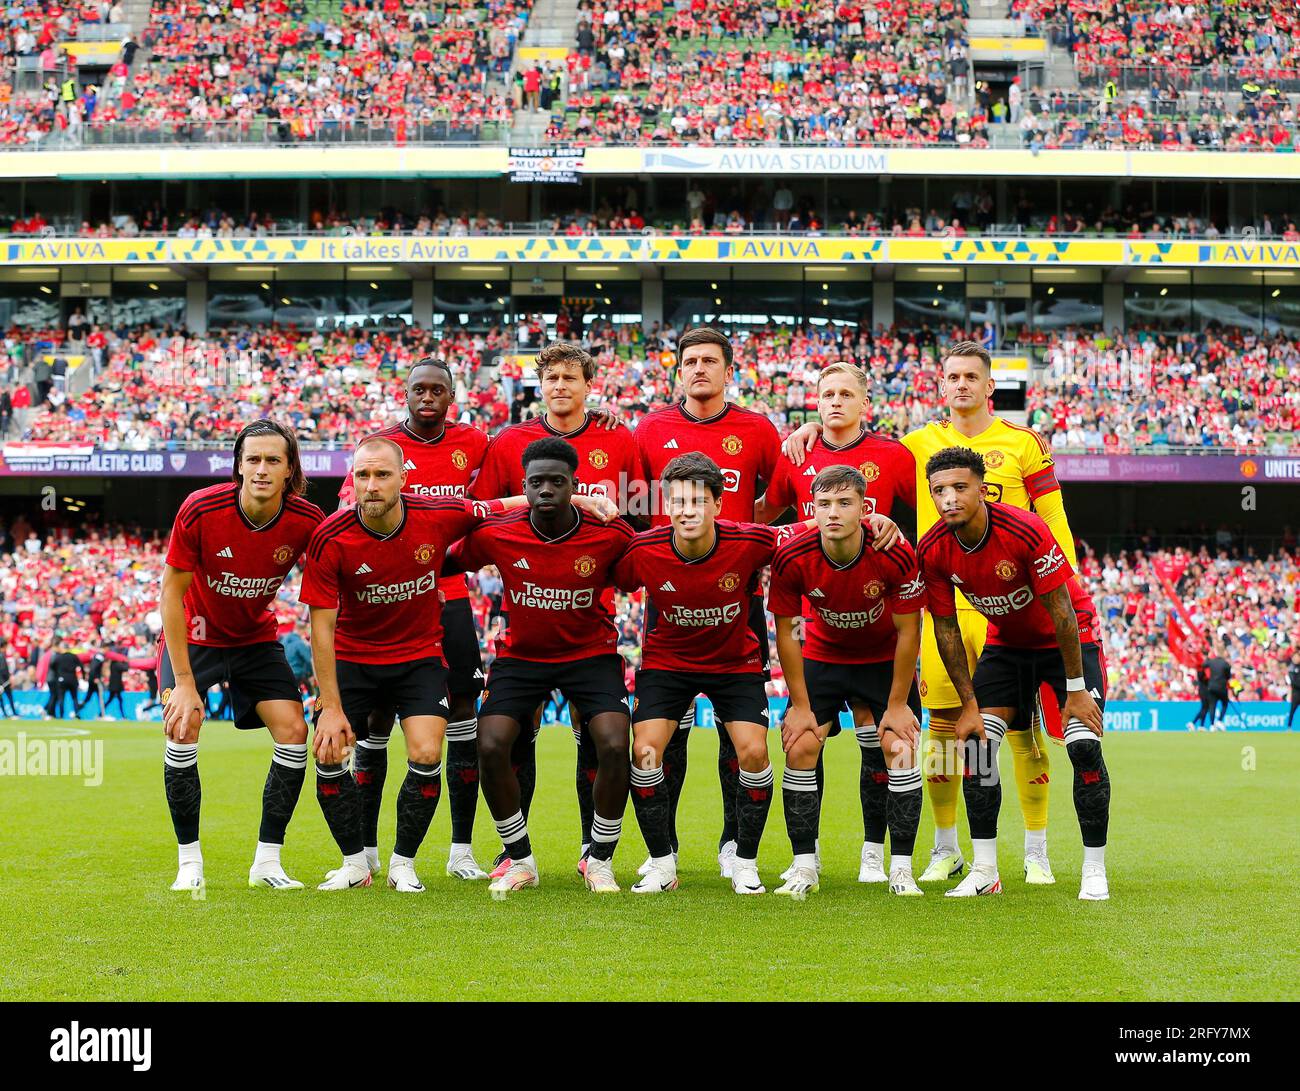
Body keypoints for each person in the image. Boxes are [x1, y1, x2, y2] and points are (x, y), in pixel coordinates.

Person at [786, 339, 1080, 886]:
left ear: (990, 386)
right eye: (952, 377)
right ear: (940, 386)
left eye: (973, 376)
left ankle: (1035, 848)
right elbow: (846, 462)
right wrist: (808, 433)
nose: (962, 385)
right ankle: (948, 847)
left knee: (1020, 733)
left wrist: (1063, 589)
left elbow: (1054, 521)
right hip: (942, 601)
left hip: (1011, 607)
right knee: (947, 731)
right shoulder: (914, 446)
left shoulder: (1024, 443)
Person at [301, 435, 524, 892]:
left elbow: (499, 505)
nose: (372, 484)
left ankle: (403, 863)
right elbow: (320, 627)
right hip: (354, 659)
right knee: (329, 751)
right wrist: (331, 704)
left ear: (403, 478)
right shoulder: (329, 536)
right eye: (362, 475)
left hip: (418, 658)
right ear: (352, 480)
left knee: (425, 752)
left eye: (382, 474)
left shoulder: (437, 514)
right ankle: (355, 863)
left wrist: (579, 497)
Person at [470, 341, 640, 877]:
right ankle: (515, 853)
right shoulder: (509, 442)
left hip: (589, 624)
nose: (561, 385)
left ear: (590, 383)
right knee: (509, 740)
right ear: (540, 384)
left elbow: (640, 521)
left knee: (602, 743)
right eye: (552, 377)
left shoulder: (618, 438)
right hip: (527, 617)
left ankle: (598, 853)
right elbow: (475, 517)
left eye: (572, 376)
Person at [917, 448, 1111, 901]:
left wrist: (1077, 690)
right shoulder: (933, 548)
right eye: (939, 491)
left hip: (1067, 640)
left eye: (959, 488)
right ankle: (985, 869)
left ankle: (1093, 869)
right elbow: (945, 628)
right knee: (977, 745)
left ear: (983, 489)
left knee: (1083, 749)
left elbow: (1062, 611)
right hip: (1008, 644)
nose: (949, 499)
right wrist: (968, 705)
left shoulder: (1025, 530)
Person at [446, 437, 634, 894]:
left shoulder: (610, 533)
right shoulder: (499, 531)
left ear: (575, 485)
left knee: (613, 742)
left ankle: (600, 858)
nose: (546, 489)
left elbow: (648, 568)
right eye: (536, 482)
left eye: (557, 481)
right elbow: (444, 553)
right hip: (521, 659)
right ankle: (520, 858)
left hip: (590, 656)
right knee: (488, 745)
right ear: (524, 487)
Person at [755, 360, 917, 883]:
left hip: (879, 631)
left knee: (884, 743)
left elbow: (920, 525)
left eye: (848, 393)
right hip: (821, 630)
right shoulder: (796, 452)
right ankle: (808, 858)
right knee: (803, 740)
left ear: (865, 403)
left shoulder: (894, 455)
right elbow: (765, 515)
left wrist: (889, 527)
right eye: (828, 393)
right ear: (816, 400)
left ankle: (881, 853)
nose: (836, 402)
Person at [631, 326, 782, 881]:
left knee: (737, 740)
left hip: (736, 602)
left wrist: (739, 544)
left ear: (727, 370)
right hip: (669, 599)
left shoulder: (758, 429)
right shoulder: (650, 429)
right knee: (660, 744)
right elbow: (626, 499)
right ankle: (662, 849)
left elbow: (786, 497)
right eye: (689, 361)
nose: (699, 369)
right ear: (678, 371)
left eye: (709, 361)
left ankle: (732, 846)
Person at [340, 359, 494, 882]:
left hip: (449, 596)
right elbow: (352, 513)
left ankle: (461, 849)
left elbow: (491, 509)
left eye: (438, 390)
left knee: (463, 724)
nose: (427, 397)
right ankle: (365, 852)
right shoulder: (379, 448)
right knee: (375, 727)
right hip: (390, 602)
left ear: (452, 395)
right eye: (418, 389)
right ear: (404, 394)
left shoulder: (475, 443)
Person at [159, 419, 326, 893]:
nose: (261, 468)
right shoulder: (200, 509)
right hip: (195, 636)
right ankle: (189, 863)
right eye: (252, 459)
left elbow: (326, 596)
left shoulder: (306, 521)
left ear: (290, 468)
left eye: (273, 460)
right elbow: (171, 595)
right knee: (183, 723)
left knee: (295, 732)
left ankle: (267, 862)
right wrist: (185, 683)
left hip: (254, 638)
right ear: (237, 465)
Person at [769, 466, 926, 896]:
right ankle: (804, 867)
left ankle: (900, 867)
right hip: (823, 658)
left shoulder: (895, 553)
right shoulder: (793, 553)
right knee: (800, 745)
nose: (833, 512)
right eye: (823, 504)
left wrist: (897, 704)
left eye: (844, 503)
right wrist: (799, 706)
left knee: (898, 749)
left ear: (865, 508)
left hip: (881, 661)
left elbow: (910, 630)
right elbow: (787, 631)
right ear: (811, 509)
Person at [1203, 645, 1232, 729]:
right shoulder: (1225, 664)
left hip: (1212, 687)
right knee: (1225, 704)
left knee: (1212, 705)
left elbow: (1204, 664)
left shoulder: (1212, 662)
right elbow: (1228, 676)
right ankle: (1219, 720)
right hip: (1222, 687)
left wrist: (1208, 657)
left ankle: (1212, 725)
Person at [1287, 652, 1300, 729]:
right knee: (1292, 711)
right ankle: (1289, 727)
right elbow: (1293, 682)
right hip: (1296, 694)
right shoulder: (1291, 668)